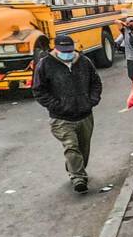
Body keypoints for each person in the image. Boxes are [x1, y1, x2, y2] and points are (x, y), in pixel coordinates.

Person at [33, 34, 102, 193]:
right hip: (61, 118)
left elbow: (95, 82)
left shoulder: (84, 62)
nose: (67, 53)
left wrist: (92, 100)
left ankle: (73, 166)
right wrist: (56, 106)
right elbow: (39, 90)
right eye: (64, 50)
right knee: (71, 146)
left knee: (83, 150)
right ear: (55, 49)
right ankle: (78, 178)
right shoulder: (45, 65)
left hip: (84, 114)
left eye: (69, 50)